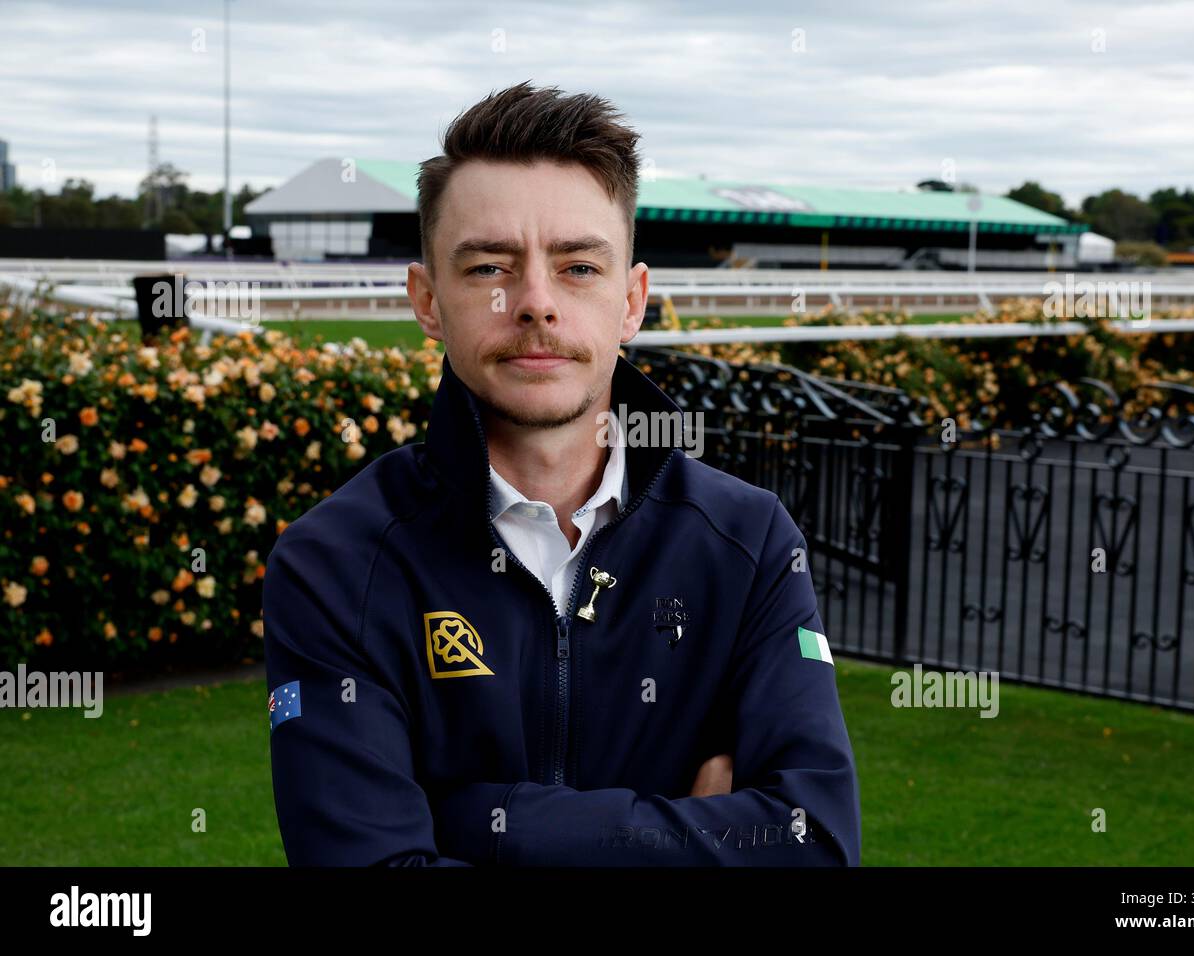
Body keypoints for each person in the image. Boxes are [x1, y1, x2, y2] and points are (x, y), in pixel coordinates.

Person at [263, 81, 860, 866]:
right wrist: (687, 840)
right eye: (487, 268)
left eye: (578, 267)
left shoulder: (746, 541)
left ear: (632, 301)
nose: (535, 302)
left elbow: (812, 843)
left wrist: (490, 819)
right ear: (428, 299)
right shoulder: (334, 562)